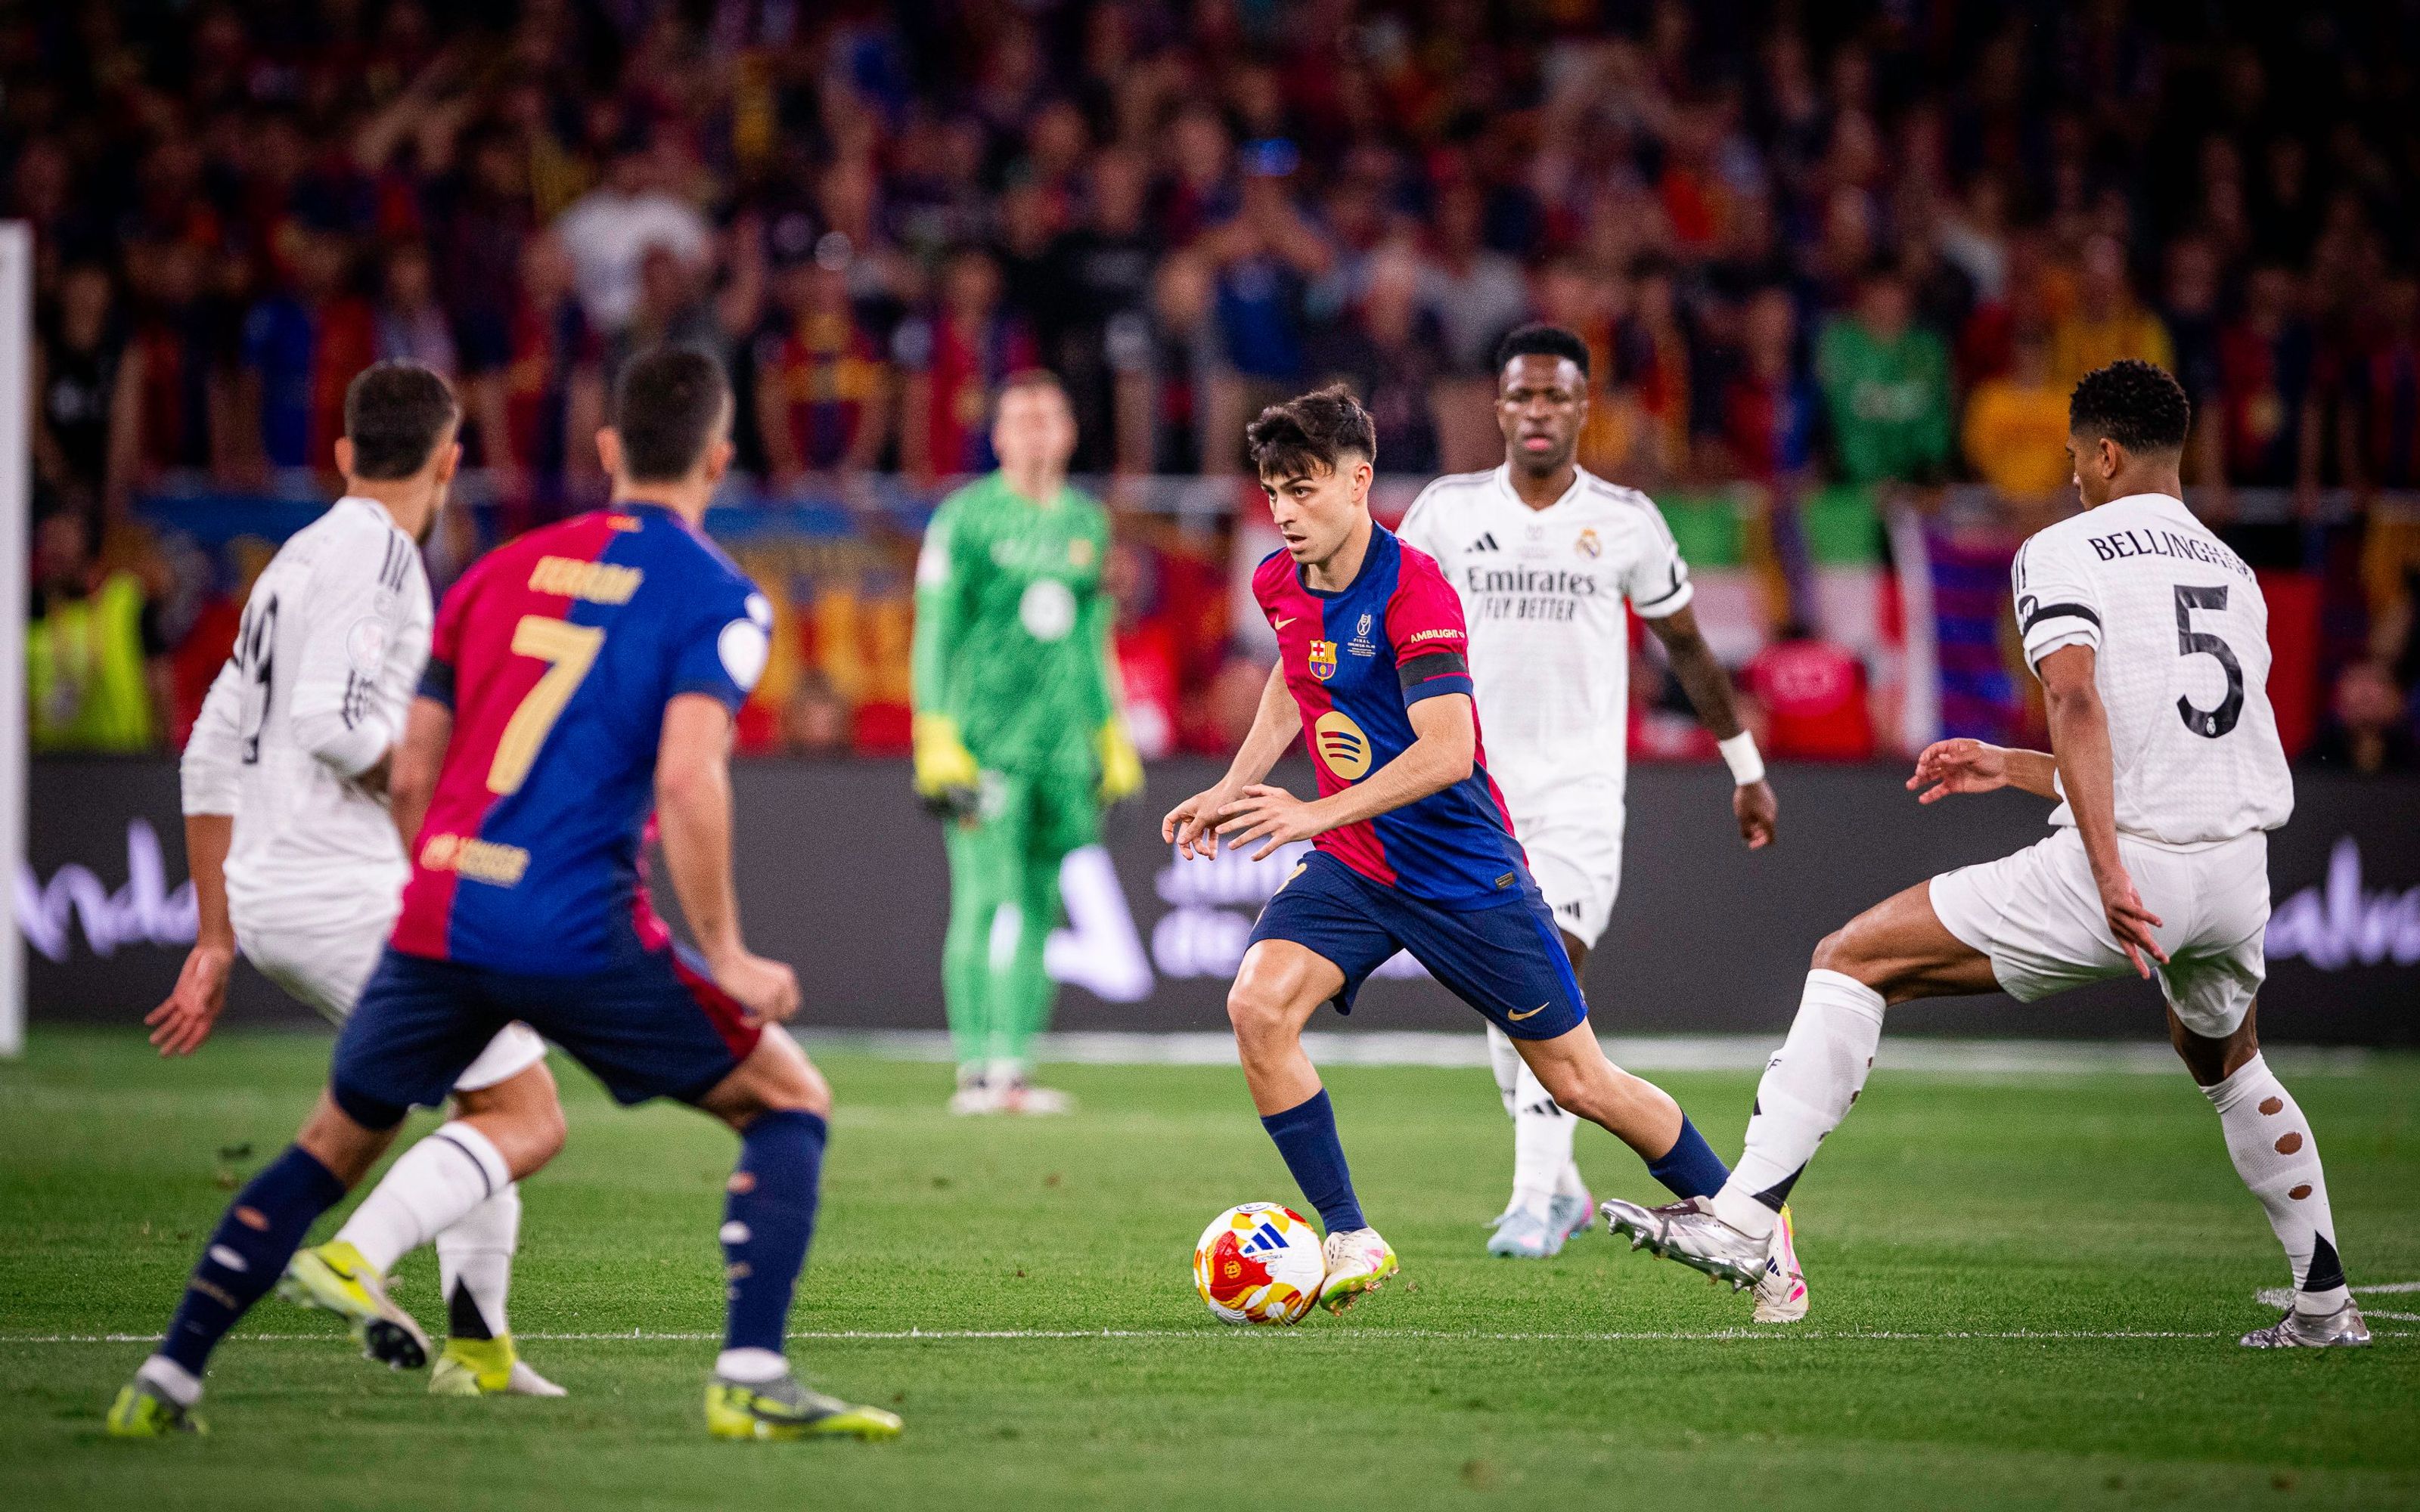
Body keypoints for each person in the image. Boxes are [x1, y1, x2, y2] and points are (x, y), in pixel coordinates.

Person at [108, 349, 905, 1438]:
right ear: (720, 459)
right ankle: (751, 1374)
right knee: (786, 1098)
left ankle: (168, 1379)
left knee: (331, 1145)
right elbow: (686, 778)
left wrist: (428, 880)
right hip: (570, 918)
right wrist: (726, 952)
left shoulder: (496, 570)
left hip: (439, 912)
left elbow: (414, 768)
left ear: (608, 448)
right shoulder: (716, 593)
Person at [1603, 361, 2369, 1349]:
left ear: (2104, 453)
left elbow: (2076, 697)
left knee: (1852, 960)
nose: (2072, 476)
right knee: (2226, 1060)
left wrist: (2106, 871)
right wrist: (2008, 766)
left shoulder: (2063, 548)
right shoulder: (2235, 573)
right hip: (2233, 872)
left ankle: (1744, 1218)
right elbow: (2169, 754)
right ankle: (2324, 1305)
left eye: (2075, 458)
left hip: (2127, 868)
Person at [1162, 386, 1741, 1316]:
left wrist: (1310, 813)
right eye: (1271, 491)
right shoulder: (1279, 581)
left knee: (1578, 1080)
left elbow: (1447, 752)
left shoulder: (1414, 587)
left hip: (1460, 870)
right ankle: (1349, 1233)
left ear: (1358, 482)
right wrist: (1234, 785)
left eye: (1302, 489)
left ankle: (1745, 1218)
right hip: (1357, 862)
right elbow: (1293, 672)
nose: (1283, 511)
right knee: (1257, 1006)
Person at [150, 361, 566, 1399]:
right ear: (449, 463)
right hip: (347, 888)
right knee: (526, 1110)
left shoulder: (293, 562)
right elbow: (330, 726)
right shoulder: (381, 555)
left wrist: (217, 933)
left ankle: (468, 1350)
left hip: (276, 893)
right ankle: (356, 1261)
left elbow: (209, 747)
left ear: (343, 454)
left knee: (458, 1101)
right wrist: (427, 780)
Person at [1396, 327, 1791, 1302]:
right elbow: (1389, 632)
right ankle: (1563, 1184)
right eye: (1522, 395)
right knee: (1508, 995)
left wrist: (1743, 766)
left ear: (1583, 409)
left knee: (1547, 968)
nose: (1538, 412)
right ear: (1499, 407)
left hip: (1576, 797)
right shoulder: (1445, 512)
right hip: (1467, 797)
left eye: (1556, 397)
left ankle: (1534, 1194)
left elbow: (1686, 646)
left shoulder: (1624, 521)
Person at [910, 370, 1143, 1114]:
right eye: (1022, 417)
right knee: (985, 898)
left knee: (1040, 901)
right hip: (986, 743)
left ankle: (1012, 1068)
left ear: (1069, 432)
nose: (1038, 429)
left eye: (1050, 415)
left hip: (1063, 747)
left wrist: (1112, 736)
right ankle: (975, 1070)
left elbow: (1092, 637)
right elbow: (935, 629)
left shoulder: (1087, 522)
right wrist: (934, 732)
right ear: (999, 435)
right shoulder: (965, 519)